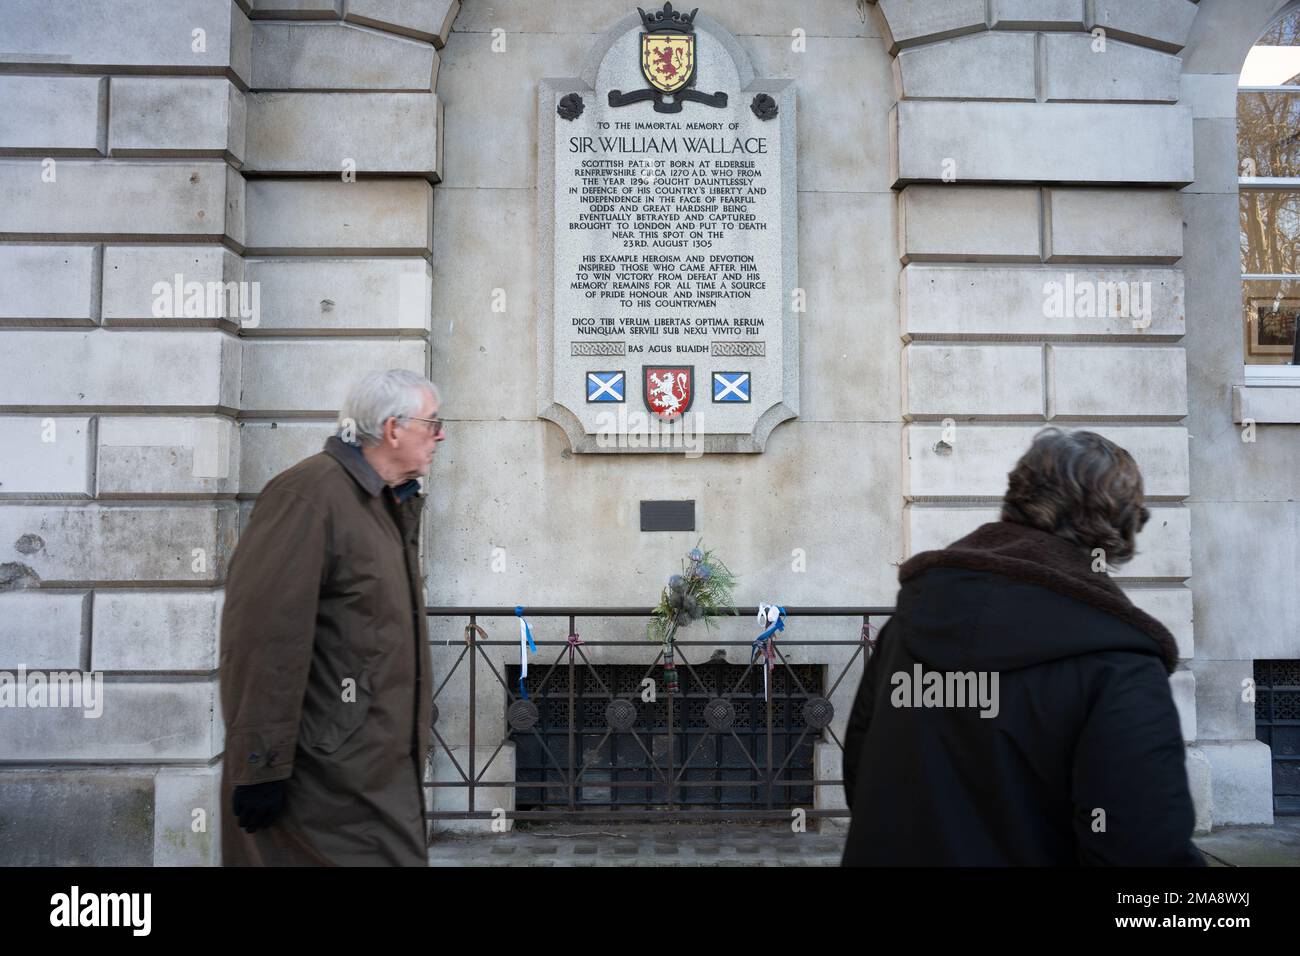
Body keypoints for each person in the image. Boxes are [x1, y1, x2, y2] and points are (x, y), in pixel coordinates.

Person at [842, 427, 1203, 866]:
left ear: (1020, 495)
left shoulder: (910, 622)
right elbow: (1144, 848)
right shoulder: (1117, 663)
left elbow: (862, 775)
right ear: (1119, 526)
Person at [219, 369, 446, 866]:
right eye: (432, 423)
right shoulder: (306, 497)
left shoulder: (384, 502)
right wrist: (260, 764)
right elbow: (262, 639)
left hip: (370, 775)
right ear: (392, 429)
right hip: (321, 783)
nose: (440, 434)